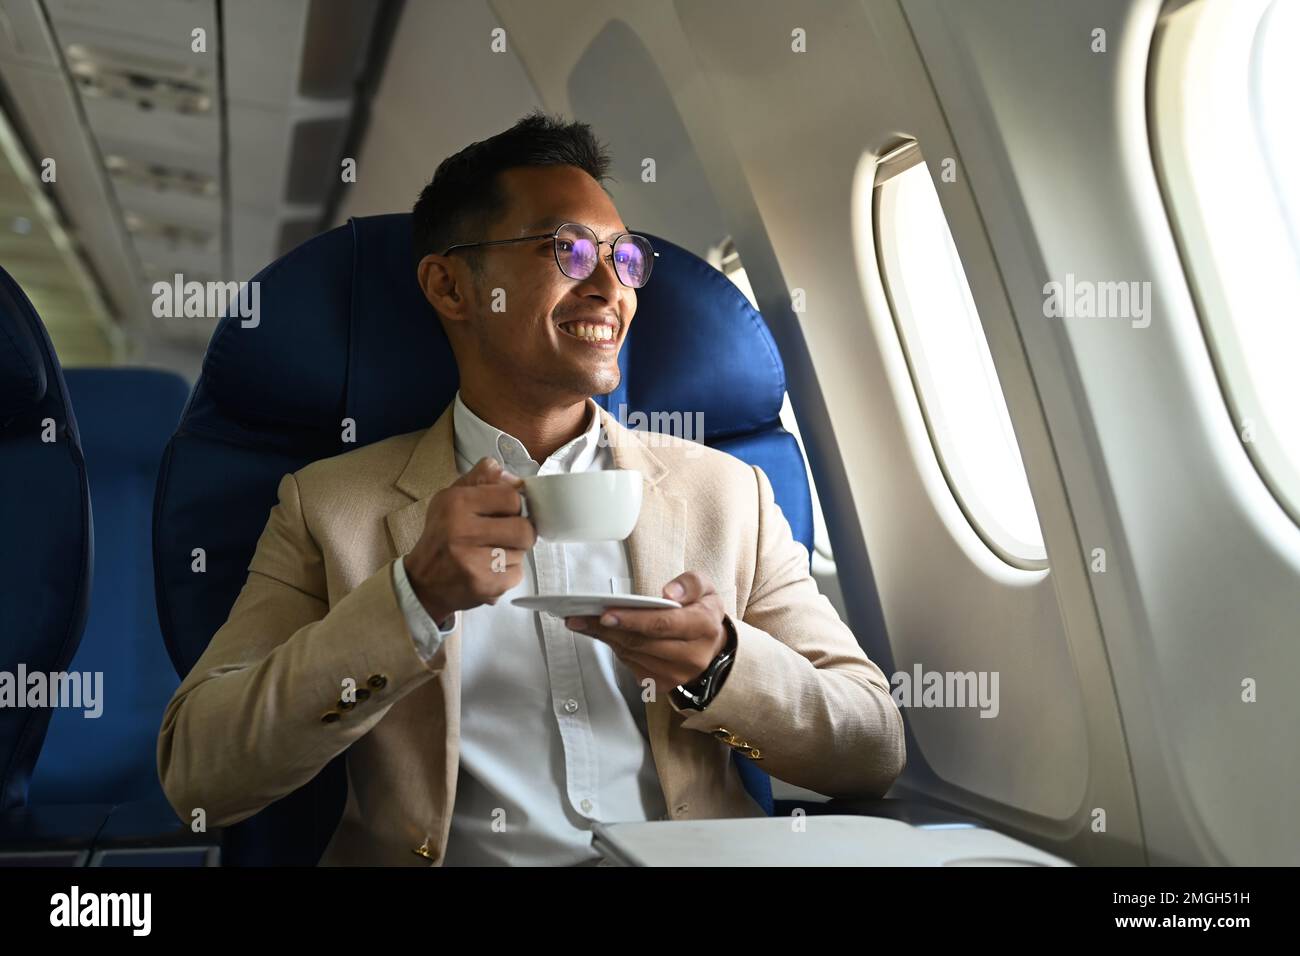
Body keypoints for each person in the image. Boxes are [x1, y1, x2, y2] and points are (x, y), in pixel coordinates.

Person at [157, 111, 904, 866]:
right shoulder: (328, 506)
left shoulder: (728, 494)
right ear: (450, 286)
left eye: (625, 257)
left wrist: (719, 665)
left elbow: (872, 745)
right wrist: (410, 602)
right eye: (568, 251)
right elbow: (198, 775)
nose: (611, 287)